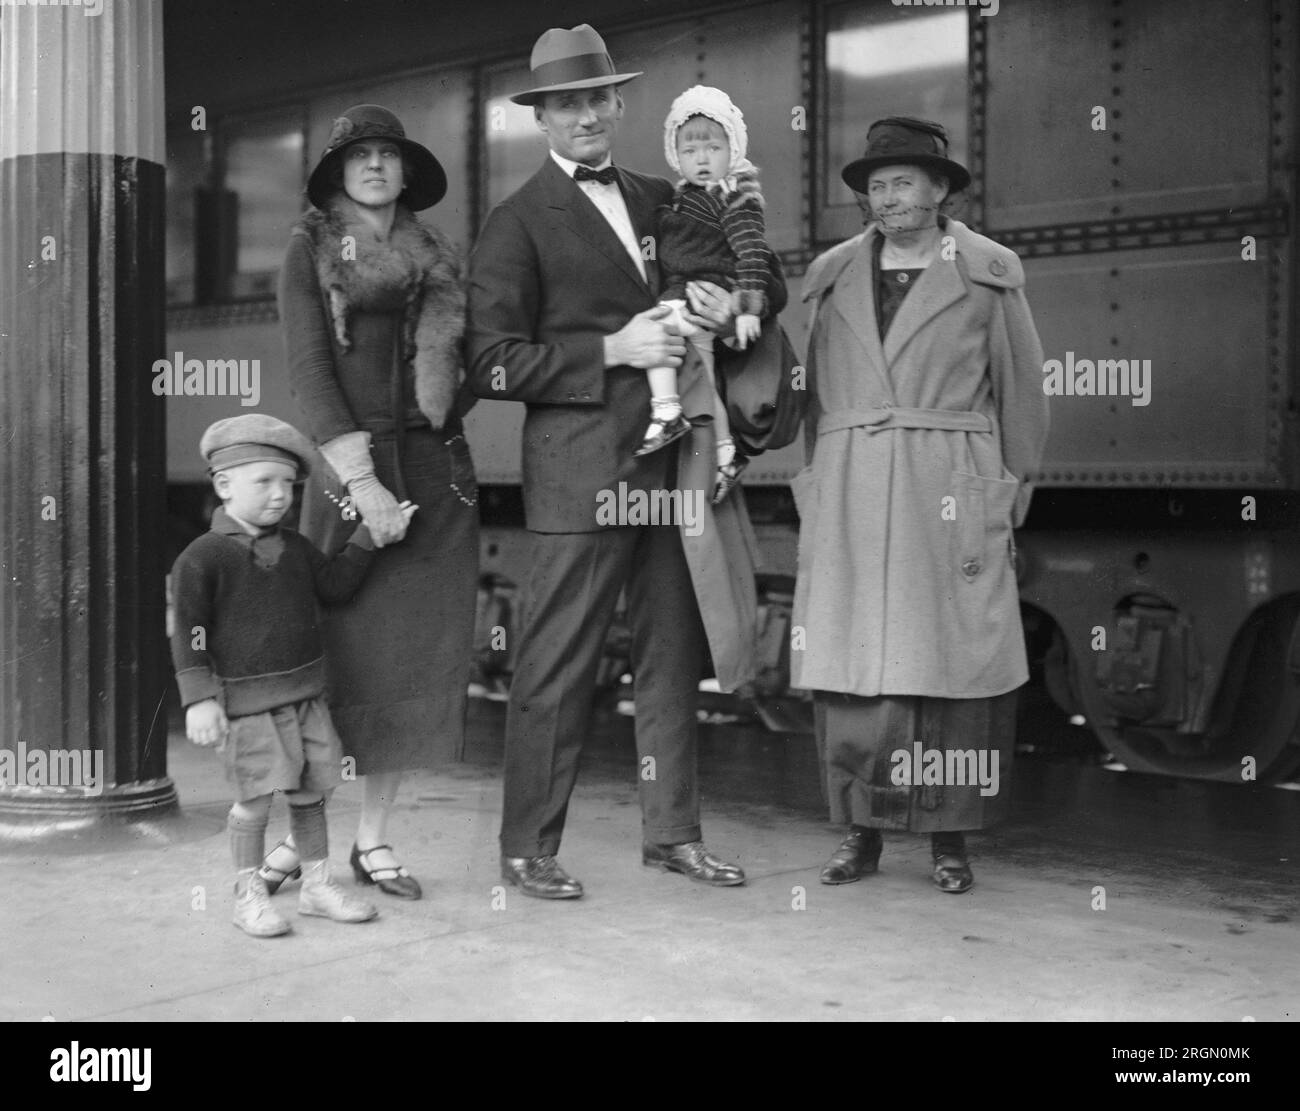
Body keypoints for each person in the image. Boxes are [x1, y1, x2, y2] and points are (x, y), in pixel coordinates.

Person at [465, 24, 786, 899]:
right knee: (556, 667)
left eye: (595, 99)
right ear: (542, 118)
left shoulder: (665, 193)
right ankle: (527, 846)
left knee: (672, 662)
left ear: (616, 103)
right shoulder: (516, 222)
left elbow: (762, 273)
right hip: (584, 475)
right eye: (564, 105)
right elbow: (488, 360)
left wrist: (733, 304)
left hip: (675, 468)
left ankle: (673, 834)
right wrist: (610, 348)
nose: (583, 117)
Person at [792, 117, 1049, 894]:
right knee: (854, 673)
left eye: (903, 181)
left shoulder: (988, 272)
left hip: (950, 483)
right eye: (876, 184)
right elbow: (810, 394)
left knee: (953, 673)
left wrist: (1005, 496)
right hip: (853, 485)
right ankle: (858, 834)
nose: (887, 196)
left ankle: (950, 842)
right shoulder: (832, 275)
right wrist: (818, 486)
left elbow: (1024, 395)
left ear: (940, 190)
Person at [268, 104, 478, 901]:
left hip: (432, 472)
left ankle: (373, 839)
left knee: (409, 663)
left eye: (389, 154)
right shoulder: (310, 247)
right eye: (361, 155)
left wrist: (449, 423)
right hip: (347, 471)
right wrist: (360, 481)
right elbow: (310, 370)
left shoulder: (434, 252)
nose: (377, 166)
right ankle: (302, 837)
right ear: (337, 172)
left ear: (406, 170)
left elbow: (467, 356)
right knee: (333, 657)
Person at [171, 415, 415, 936]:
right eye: (264, 481)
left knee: (311, 793)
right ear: (223, 485)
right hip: (248, 705)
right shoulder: (203, 557)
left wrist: (368, 536)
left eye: (288, 483)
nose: (280, 495)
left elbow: (336, 588)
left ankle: (317, 887)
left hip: (306, 698)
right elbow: (187, 632)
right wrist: (199, 698)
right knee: (255, 799)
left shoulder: (298, 548)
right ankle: (248, 894)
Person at [636, 85, 778, 504]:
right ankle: (726, 455)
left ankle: (665, 411)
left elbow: (752, 251)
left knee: (659, 330)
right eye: (690, 151)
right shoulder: (688, 196)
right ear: (674, 154)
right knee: (707, 381)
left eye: (713, 148)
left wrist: (747, 308)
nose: (701, 159)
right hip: (696, 297)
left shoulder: (734, 196)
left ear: (732, 149)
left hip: (706, 293)